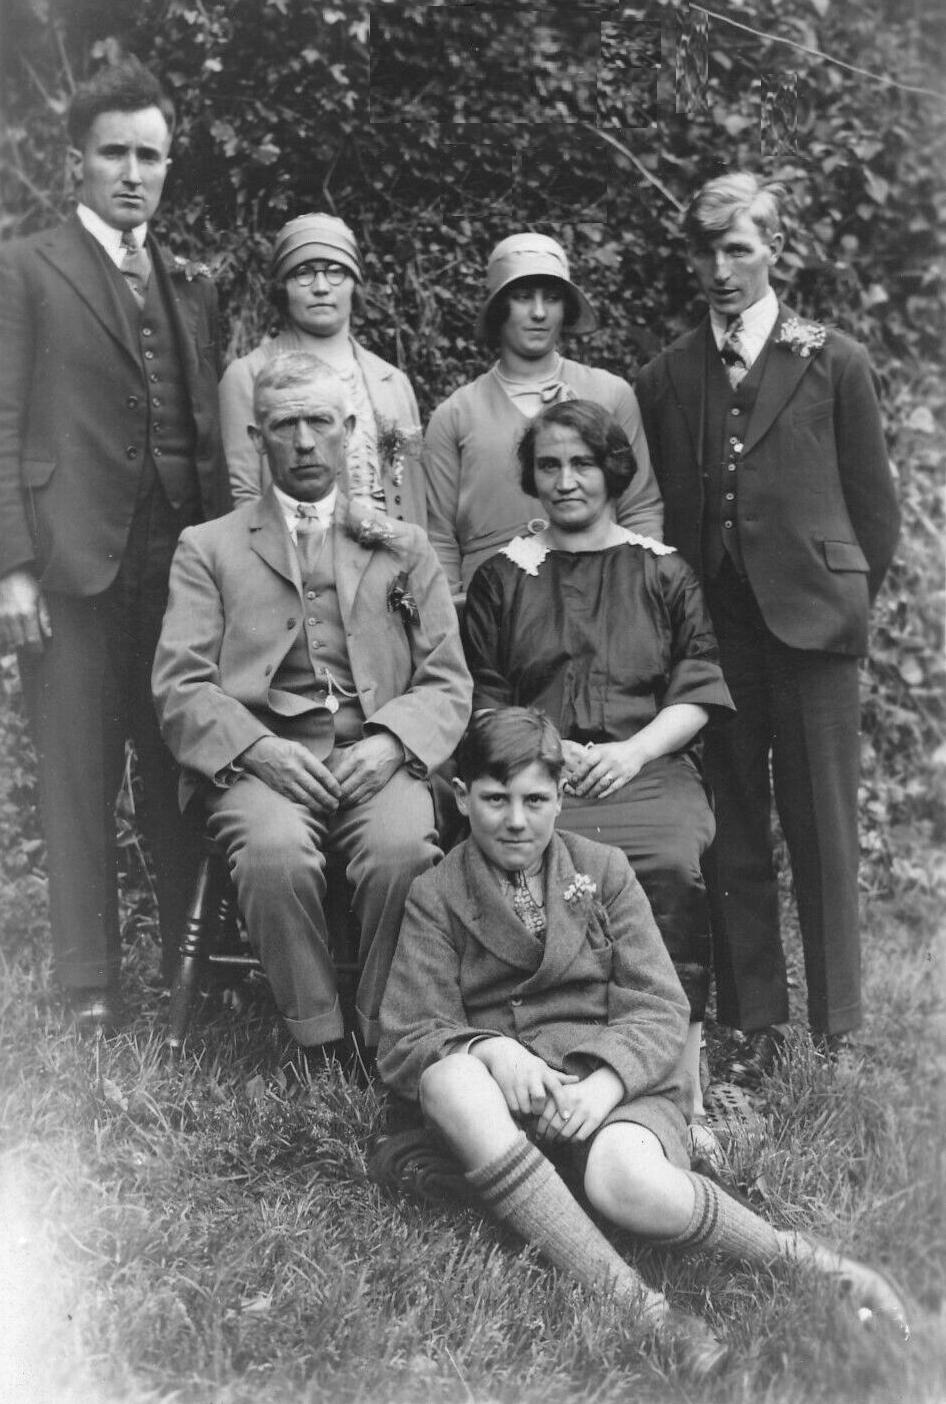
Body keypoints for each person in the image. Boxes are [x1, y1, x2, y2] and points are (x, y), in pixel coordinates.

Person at [376, 709, 909, 1376]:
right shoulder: (436, 894)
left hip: (617, 1096)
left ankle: (797, 1257)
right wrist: (490, 1051)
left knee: (629, 1181)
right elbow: (407, 1036)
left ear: (561, 799)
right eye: (494, 800)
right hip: (507, 1116)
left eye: (535, 800)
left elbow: (660, 1005)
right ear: (462, 798)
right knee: (446, 1079)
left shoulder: (605, 871)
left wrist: (605, 1083)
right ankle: (637, 1304)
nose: (516, 821)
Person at [635, 173, 901, 1082]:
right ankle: (757, 1022)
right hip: (720, 636)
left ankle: (839, 1026)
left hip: (817, 632)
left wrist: (838, 601)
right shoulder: (669, 374)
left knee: (822, 825)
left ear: (774, 250)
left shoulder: (835, 360)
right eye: (705, 251)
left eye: (738, 248)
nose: (720, 268)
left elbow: (877, 511)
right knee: (735, 822)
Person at [152, 352, 471, 1054]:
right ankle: (319, 1038)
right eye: (283, 425)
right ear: (256, 436)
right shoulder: (209, 548)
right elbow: (180, 684)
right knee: (272, 854)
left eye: (319, 423)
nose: (302, 443)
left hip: (375, 756)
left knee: (401, 851)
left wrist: (391, 744)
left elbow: (447, 678)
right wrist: (259, 749)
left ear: (350, 428)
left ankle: (384, 1029)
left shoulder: (401, 546)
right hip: (261, 762)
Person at [0, 59, 229, 1032]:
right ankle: (89, 984)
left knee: (179, 765)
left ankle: (192, 972)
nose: (132, 172)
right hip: (72, 563)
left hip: (178, 567)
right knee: (79, 771)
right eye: (113, 153)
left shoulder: (189, 285)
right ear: (76, 163)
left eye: (150, 155)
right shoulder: (24, 268)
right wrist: (11, 566)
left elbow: (205, 437)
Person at [461, 399, 733, 1134]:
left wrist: (631, 751)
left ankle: (680, 1082)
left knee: (672, 862)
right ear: (531, 477)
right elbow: (483, 700)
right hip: (539, 779)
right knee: (531, 864)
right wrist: (552, 752)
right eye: (548, 465)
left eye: (582, 463)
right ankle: (552, 1063)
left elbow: (698, 687)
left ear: (612, 470)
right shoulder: (502, 578)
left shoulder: (662, 572)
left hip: (645, 770)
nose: (566, 480)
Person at [423, 232, 663, 596]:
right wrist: (454, 618)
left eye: (551, 298)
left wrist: (635, 591)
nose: (538, 312)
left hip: (599, 592)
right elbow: (438, 536)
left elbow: (640, 507)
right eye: (522, 297)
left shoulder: (610, 393)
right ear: (499, 307)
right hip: (492, 605)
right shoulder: (456, 413)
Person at [219, 212, 425, 528]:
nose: (320, 287)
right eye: (303, 273)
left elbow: (413, 489)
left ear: (355, 282)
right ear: (282, 286)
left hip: (393, 560)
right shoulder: (247, 375)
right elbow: (242, 496)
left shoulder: (393, 381)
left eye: (335, 272)